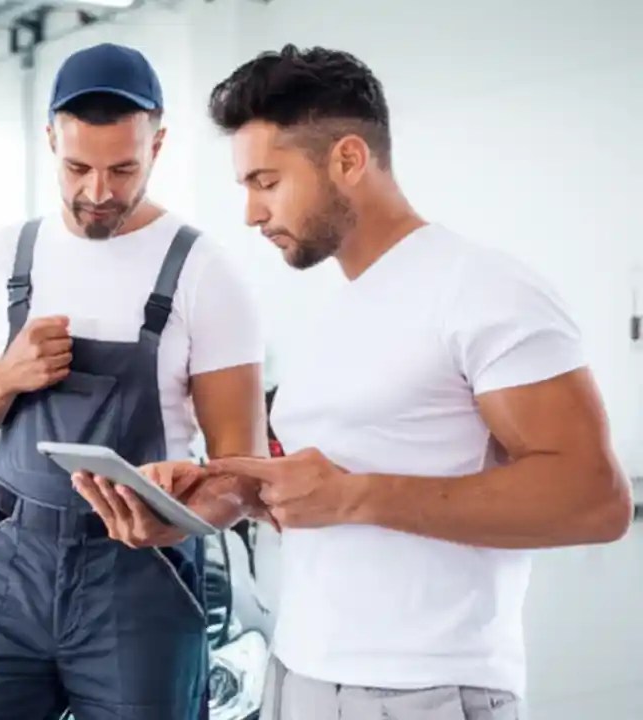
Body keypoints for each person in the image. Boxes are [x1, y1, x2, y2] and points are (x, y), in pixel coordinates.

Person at [73, 44, 633, 720]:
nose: (251, 212)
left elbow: (593, 499)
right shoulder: (335, 307)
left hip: (424, 690)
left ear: (347, 160)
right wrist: (226, 492)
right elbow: (327, 485)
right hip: (301, 671)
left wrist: (354, 497)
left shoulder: (486, 289)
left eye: (266, 181)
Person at [0, 42, 268, 719]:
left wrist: (175, 526)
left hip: (138, 577)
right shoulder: (7, 256)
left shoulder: (203, 271)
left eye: (123, 168)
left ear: (158, 145)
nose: (97, 192)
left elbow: (243, 475)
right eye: (77, 166)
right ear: (50, 137)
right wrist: (8, 374)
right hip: (10, 562)